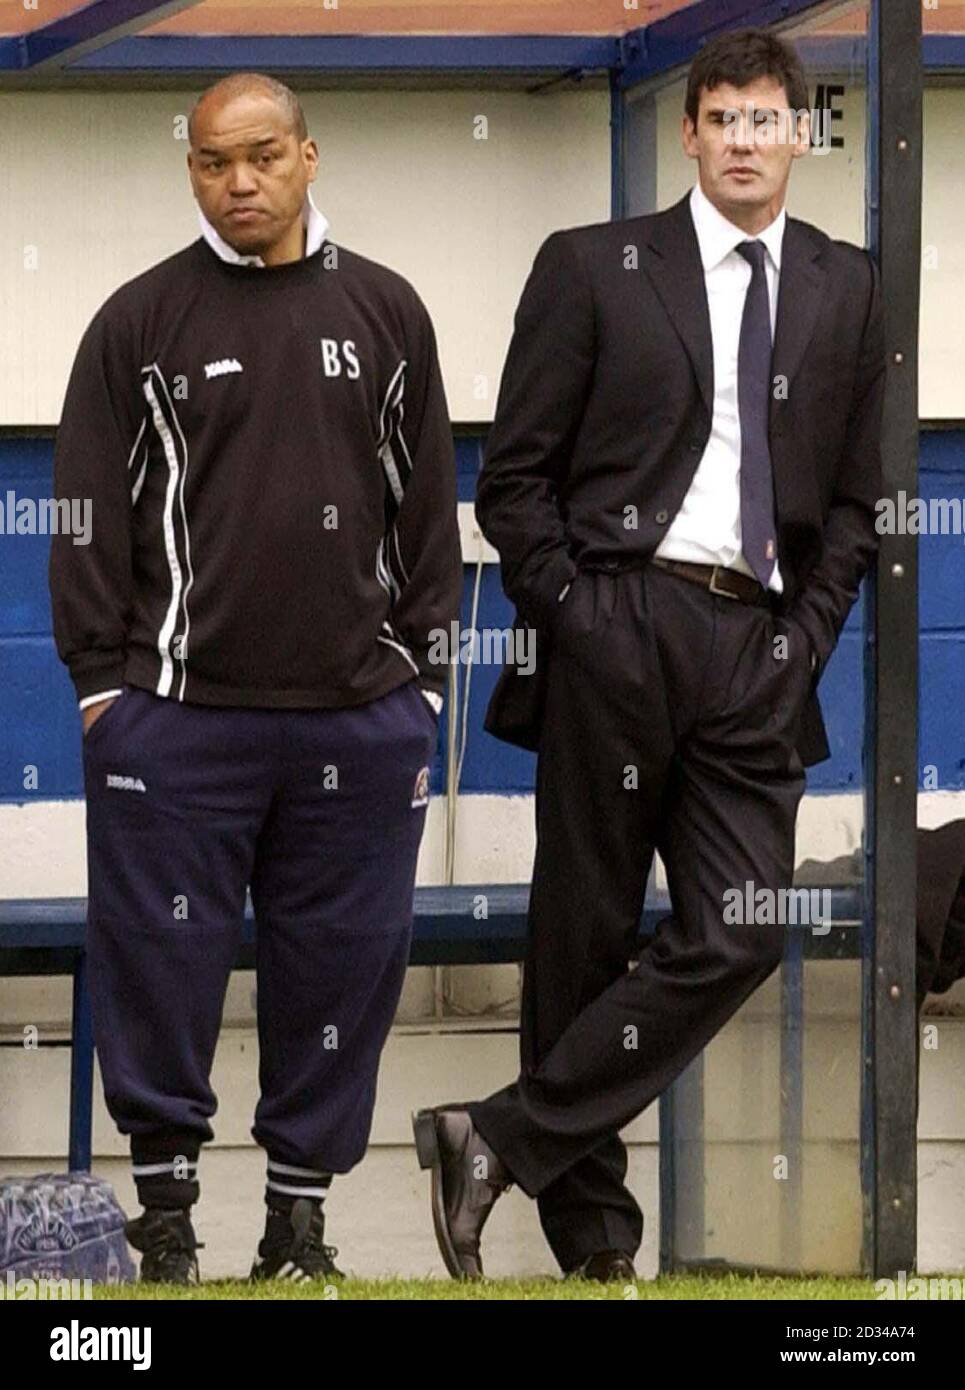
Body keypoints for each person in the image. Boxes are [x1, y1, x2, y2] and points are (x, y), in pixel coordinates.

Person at [414, 27, 885, 1281]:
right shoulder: (594, 267)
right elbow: (513, 483)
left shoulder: (848, 286)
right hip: (616, 622)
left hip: (757, 645)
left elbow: (855, 501)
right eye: (719, 118)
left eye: (762, 119)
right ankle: (598, 1249)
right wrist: (577, 613)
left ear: (801, 134)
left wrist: (803, 639)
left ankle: (495, 1137)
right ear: (687, 136)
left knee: (739, 923)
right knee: (584, 933)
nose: (740, 139)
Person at [49, 72, 461, 1284]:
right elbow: (82, 515)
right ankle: (166, 1225)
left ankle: (298, 1228)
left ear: (309, 157)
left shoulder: (386, 310)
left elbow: (428, 509)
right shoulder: (138, 321)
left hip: (358, 722)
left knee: (337, 972)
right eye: (213, 163)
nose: (239, 183)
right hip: (173, 726)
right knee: (158, 969)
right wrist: (100, 691)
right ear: (191, 171)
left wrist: (421, 688)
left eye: (262, 158)